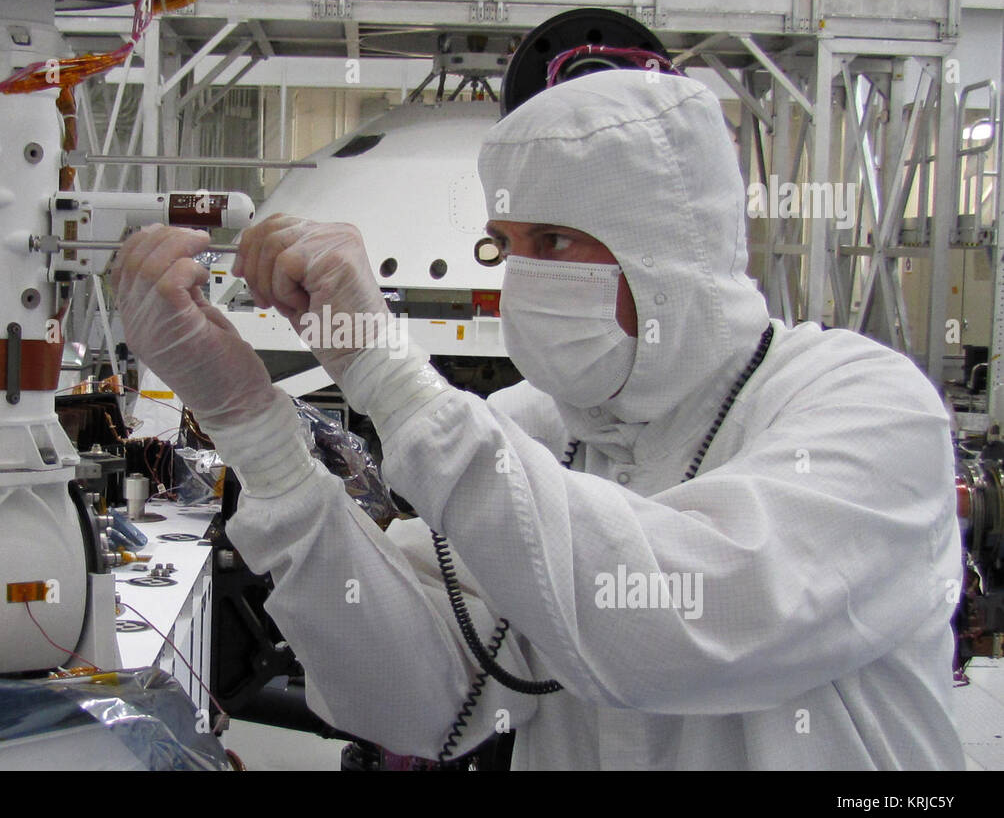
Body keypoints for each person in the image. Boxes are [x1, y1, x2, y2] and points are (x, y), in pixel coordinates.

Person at [113, 70, 965, 769]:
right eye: (505, 244)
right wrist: (254, 428)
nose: (524, 276)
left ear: (668, 254)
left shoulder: (863, 408)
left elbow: (678, 630)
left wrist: (388, 374)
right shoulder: (533, 430)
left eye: (553, 242)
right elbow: (419, 702)